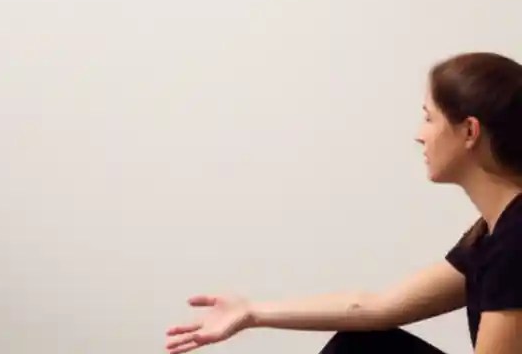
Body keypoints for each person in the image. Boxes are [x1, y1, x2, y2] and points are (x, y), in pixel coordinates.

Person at [165, 52, 522, 354]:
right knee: (362, 344)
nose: (419, 134)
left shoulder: (514, 242)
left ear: (469, 131)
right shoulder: (493, 234)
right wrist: (252, 313)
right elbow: (375, 308)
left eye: (429, 118)